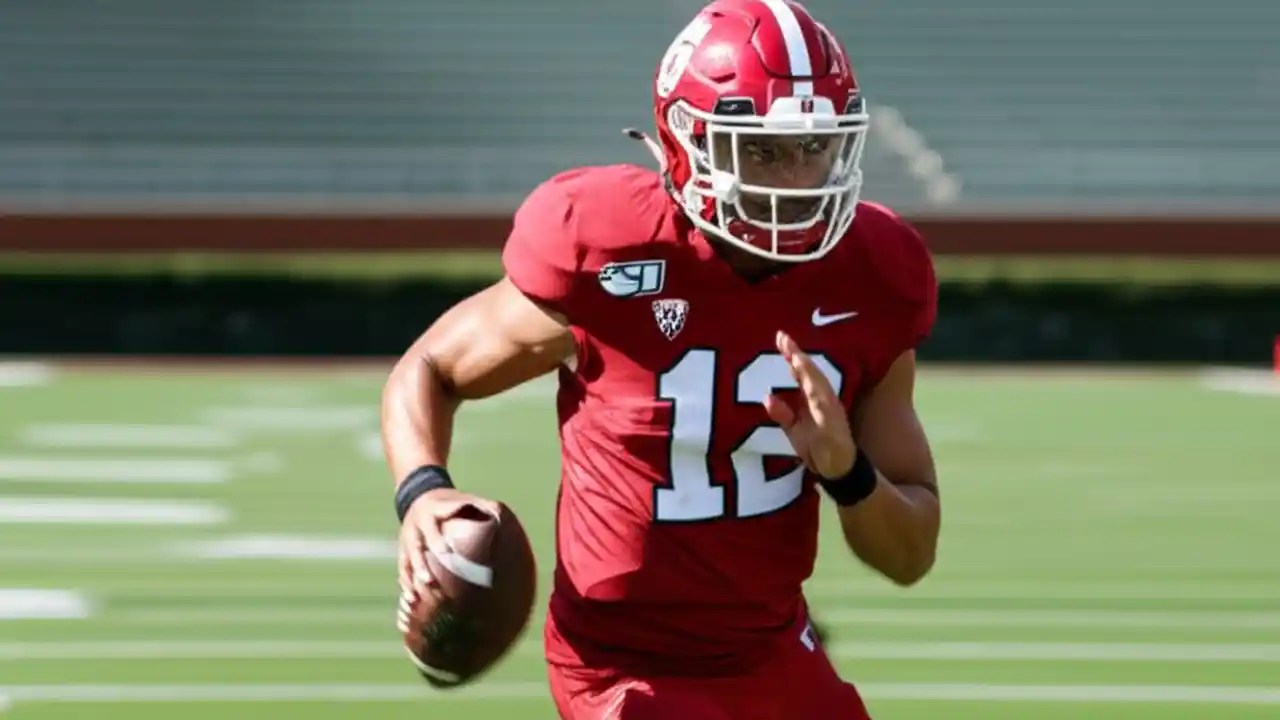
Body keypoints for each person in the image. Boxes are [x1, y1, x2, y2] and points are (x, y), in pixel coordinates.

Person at [381, 0, 941, 717]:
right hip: (620, 669)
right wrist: (422, 489)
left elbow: (911, 554)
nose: (798, 180)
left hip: (771, 651)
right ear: (690, 143)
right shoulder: (609, 246)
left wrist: (848, 474)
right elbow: (429, 369)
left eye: (813, 146)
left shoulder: (875, 276)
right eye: (763, 150)